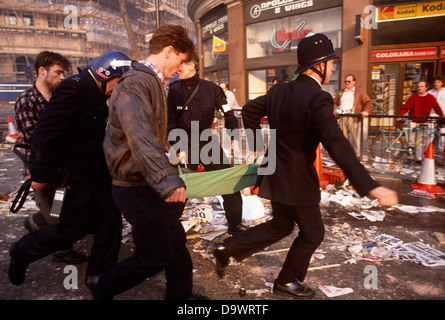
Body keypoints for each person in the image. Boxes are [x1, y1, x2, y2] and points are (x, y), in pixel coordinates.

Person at [212, 33, 398, 300]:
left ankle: (226, 249)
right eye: (331, 63)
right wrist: (371, 186)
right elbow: (337, 144)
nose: (333, 68)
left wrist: (256, 144)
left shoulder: (279, 90)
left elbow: (250, 110)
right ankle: (286, 281)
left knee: (281, 226)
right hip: (297, 180)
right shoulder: (318, 98)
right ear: (319, 65)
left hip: (274, 173)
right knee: (313, 234)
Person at [87, 25, 198, 300]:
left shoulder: (151, 82)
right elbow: (139, 135)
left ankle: (180, 298)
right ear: (169, 51)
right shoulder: (137, 82)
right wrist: (168, 179)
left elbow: (149, 134)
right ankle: (103, 284)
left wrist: (170, 153)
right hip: (135, 184)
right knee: (157, 254)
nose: (182, 68)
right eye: (181, 60)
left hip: (145, 180)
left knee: (176, 246)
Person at [8, 50, 131, 287]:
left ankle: (99, 278)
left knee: (110, 221)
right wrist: (40, 174)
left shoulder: (96, 91)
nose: (118, 87)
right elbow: (44, 134)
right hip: (76, 175)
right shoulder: (73, 88)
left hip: (98, 172)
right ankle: (22, 250)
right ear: (106, 74)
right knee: (72, 230)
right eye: (119, 81)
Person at [13, 51, 87, 264]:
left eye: (64, 73)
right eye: (58, 72)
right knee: (56, 216)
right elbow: (35, 138)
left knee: (60, 208)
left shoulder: (58, 98)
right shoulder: (27, 100)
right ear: (42, 71)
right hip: (42, 172)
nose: (62, 77)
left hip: (62, 170)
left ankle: (36, 222)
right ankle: (62, 250)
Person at [168, 57, 246, 235]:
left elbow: (228, 114)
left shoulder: (212, 89)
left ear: (192, 65)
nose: (177, 68)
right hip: (183, 142)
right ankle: (170, 230)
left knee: (229, 183)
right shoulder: (173, 91)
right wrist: (177, 147)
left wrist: (234, 138)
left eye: (181, 64)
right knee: (179, 188)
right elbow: (169, 122)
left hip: (206, 141)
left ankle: (236, 226)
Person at [398, 80, 444, 163]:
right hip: (413, 121)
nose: (419, 88)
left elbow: (437, 107)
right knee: (411, 141)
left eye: (422, 86)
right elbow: (406, 107)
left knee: (420, 141)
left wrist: (442, 116)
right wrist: (400, 115)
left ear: (426, 88)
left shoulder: (430, 97)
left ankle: (418, 158)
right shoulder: (413, 97)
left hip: (423, 122)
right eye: (418, 87)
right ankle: (410, 158)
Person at [333, 74, 373, 156]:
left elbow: (368, 102)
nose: (347, 83)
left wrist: (366, 111)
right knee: (342, 138)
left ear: (354, 82)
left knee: (356, 139)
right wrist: (335, 109)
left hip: (354, 117)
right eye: (345, 81)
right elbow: (335, 102)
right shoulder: (341, 92)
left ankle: (356, 156)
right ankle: (343, 156)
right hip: (342, 117)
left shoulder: (359, 92)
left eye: (349, 81)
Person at [428, 76, 445, 151]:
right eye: (435, 82)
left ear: (442, 83)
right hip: (432, 114)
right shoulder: (430, 92)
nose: (436, 84)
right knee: (430, 132)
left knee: (442, 132)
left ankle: (440, 149)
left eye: (438, 82)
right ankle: (428, 149)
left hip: (443, 114)